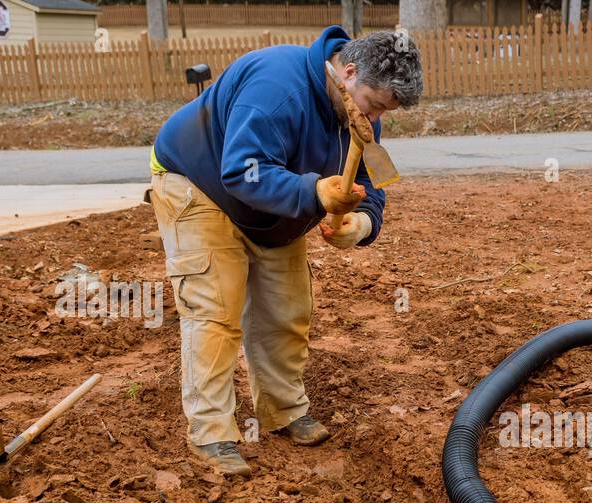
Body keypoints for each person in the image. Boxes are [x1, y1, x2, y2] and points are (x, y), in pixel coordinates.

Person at [149, 26, 422, 476]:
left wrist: (363, 221)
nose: (374, 118)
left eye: (384, 112)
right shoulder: (277, 88)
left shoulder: (358, 106)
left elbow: (370, 181)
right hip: (200, 185)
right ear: (348, 72)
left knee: (286, 306)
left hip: (272, 208)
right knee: (215, 307)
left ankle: (283, 410)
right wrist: (315, 191)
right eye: (373, 106)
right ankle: (212, 433)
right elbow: (241, 170)